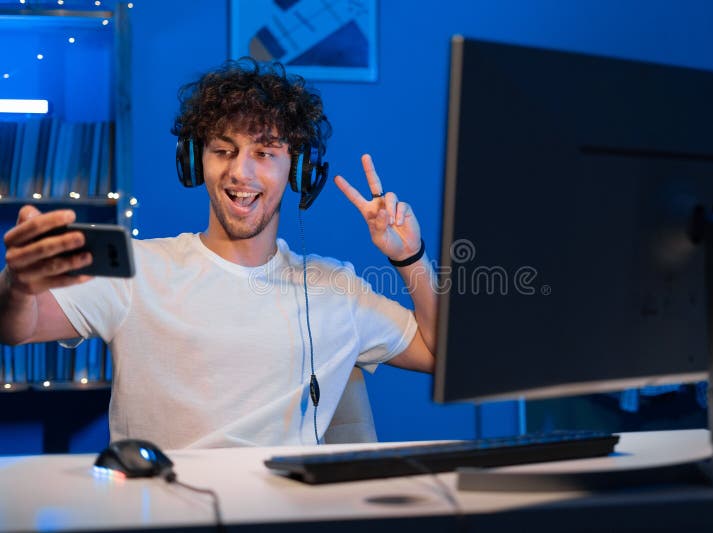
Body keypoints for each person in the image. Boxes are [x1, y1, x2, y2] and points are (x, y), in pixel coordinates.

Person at [0, 59, 437, 449]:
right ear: (196, 161)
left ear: (299, 170)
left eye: (264, 152)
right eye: (223, 150)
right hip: (163, 509)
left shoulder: (332, 288)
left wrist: (411, 258)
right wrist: (19, 284)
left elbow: (440, 355)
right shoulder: (137, 269)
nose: (239, 171)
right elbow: (19, 326)